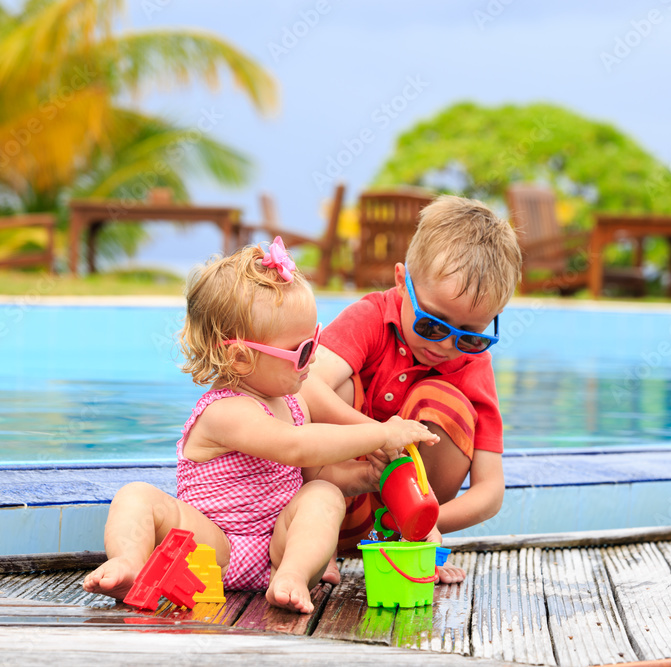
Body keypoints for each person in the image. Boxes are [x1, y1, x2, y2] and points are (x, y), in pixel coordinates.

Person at [83, 239, 439, 614]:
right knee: (136, 495)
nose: (314, 355)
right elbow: (296, 447)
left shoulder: (293, 398)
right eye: (301, 350)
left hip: (277, 548)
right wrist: (382, 432)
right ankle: (129, 564)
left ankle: (293, 575)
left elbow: (314, 470)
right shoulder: (227, 411)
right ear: (239, 358)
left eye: (314, 339)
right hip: (211, 547)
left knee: (323, 495)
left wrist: (367, 475)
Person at [301, 195, 522, 583]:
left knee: (442, 399)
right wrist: (378, 436)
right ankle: (318, 544)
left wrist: (427, 522)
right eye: (433, 324)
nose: (445, 345)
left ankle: (406, 541)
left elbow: (491, 491)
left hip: (406, 521)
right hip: (334, 502)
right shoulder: (370, 318)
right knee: (339, 383)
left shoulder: (473, 363)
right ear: (403, 282)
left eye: (469, 336)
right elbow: (306, 389)